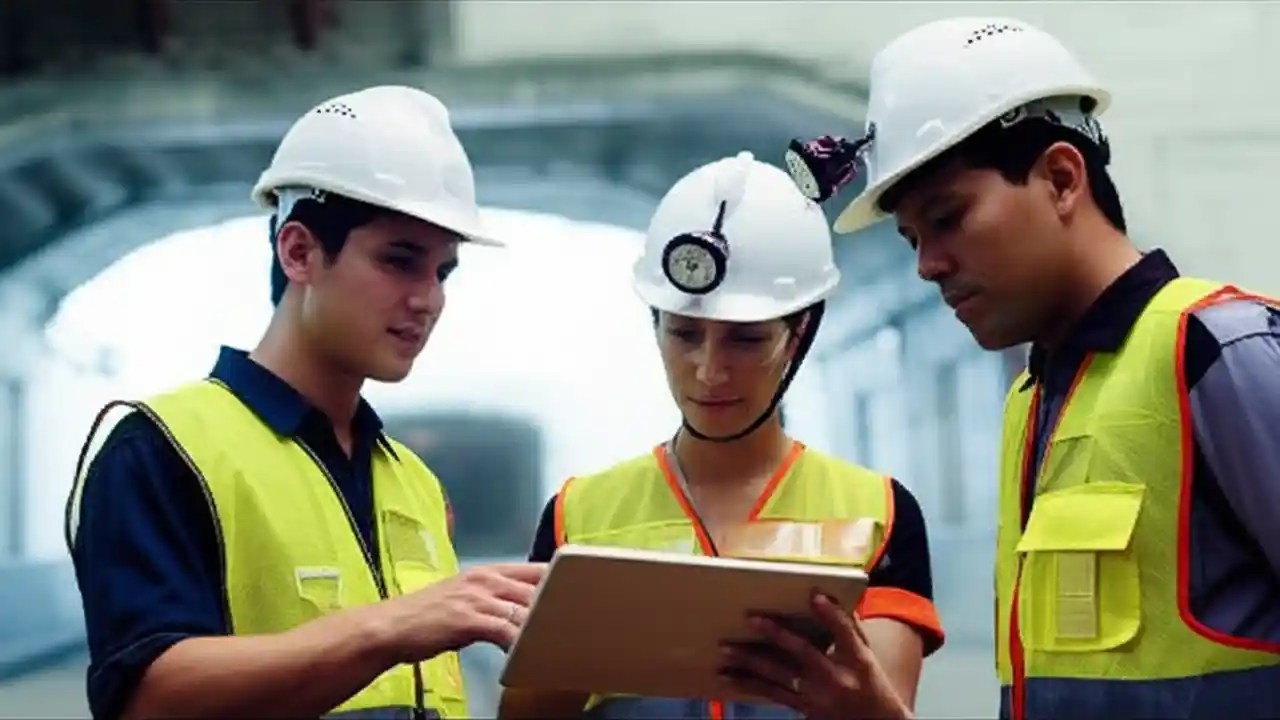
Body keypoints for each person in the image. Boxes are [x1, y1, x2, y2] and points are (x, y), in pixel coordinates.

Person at [772, 15, 1280, 720]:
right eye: (914, 237)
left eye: (948, 218)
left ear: (1062, 179)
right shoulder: (1032, 400)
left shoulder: (1219, 350)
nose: (926, 265)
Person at [63, 85, 546, 720]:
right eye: (400, 261)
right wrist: (388, 627)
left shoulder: (412, 482)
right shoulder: (161, 448)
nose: (428, 299)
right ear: (299, 252)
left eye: (442, 272)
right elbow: (146, 700)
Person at [498, 151, 945, 720]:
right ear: (654, 324)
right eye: (685, 334)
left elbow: (885, 702)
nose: (709, 370)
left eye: (746, 340)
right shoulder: (577, 515)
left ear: (799, 331)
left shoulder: (879, 513)